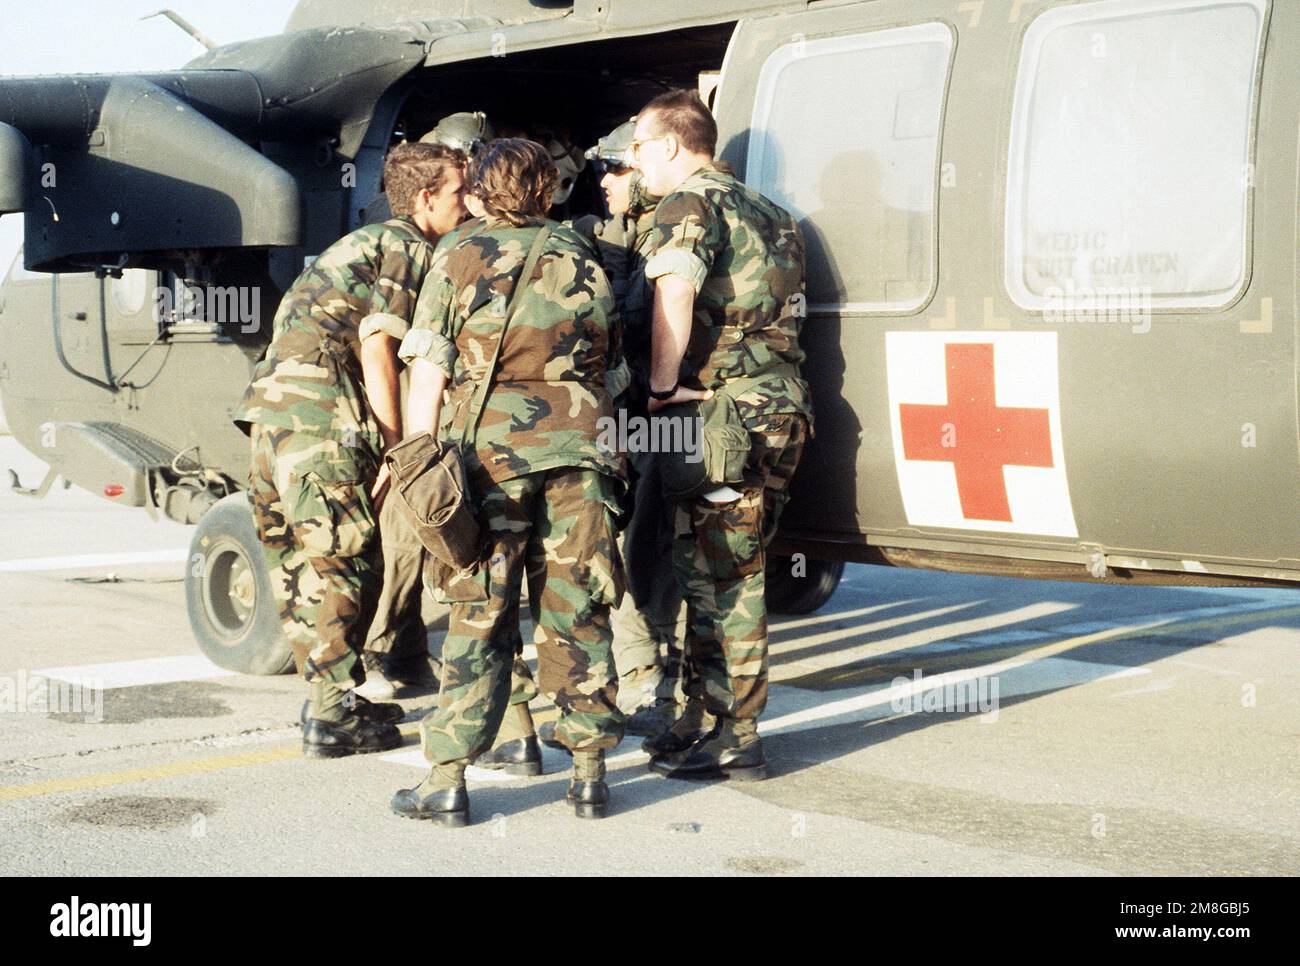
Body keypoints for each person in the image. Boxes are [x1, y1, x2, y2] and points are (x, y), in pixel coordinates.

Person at [390, 138, 626, 825]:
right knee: (577, 607)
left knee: (480, 612)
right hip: (583, 455)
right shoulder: (582, 255)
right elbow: (613, 369)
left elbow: (428, 367)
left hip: (488, 461)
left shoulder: (457, 256)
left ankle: (447, 780)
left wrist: (417, 457)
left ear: (479, 194)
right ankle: (588, 775)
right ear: (548, 193)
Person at [232, 142, 469, 757]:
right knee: (345, 558)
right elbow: (376, 347)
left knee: (300, 564)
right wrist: (399, 448)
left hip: (270, 418)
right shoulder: (409, 247)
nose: (467, 205)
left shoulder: (358, 243)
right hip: (322, 421)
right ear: (425, 198)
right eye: (458, 193)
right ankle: (333, 717)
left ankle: (329, 702)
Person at [631, 90, 812, 781]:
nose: (636, 162)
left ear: (673, 144)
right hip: (779, 407)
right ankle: (698, 719)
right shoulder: (772, 211)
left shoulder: (688, 205)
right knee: (707, 566)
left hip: (723, 413)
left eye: (641, 147)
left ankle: (739, 735)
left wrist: (660, 385)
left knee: (727, 576)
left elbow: (675, 292)